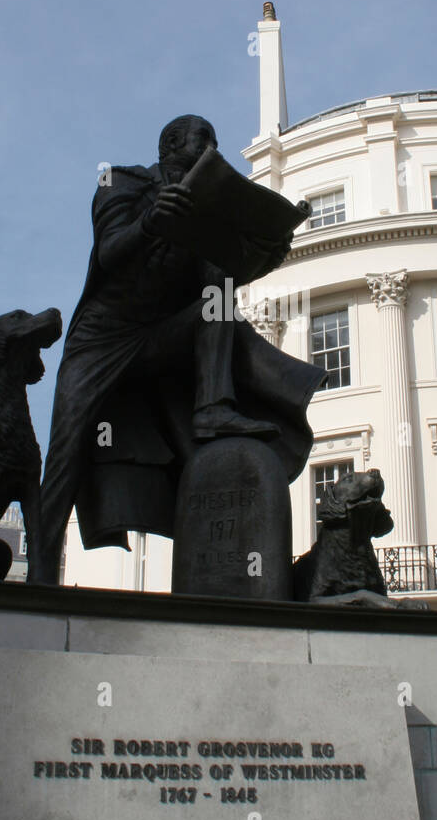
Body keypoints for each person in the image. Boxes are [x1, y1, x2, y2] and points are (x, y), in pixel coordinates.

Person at [36, 115, 325, 584]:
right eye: (204, 138)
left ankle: (212, 407)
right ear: (172, 143)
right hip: (103, 337)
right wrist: (150, 222)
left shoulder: (209, 206)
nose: (213, 146)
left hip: (161, 335)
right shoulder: (122, 181)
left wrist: (269, 250)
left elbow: (228, 278)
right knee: (66, 449)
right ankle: (42, 574)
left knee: (218, 284)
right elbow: (109, 252)